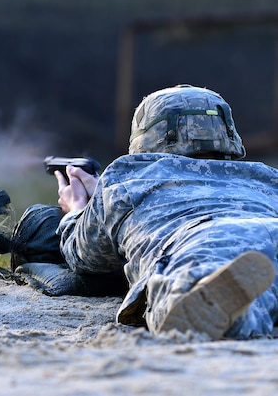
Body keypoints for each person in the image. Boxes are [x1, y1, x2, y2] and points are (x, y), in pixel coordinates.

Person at [55, 84, 278, 340]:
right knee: (264, 290)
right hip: (269, 229)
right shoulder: (266, 177)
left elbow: (85, 257)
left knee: (191, 295)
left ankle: (233, 315)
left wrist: (77, 209)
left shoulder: (124, 178)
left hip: (202, 243)